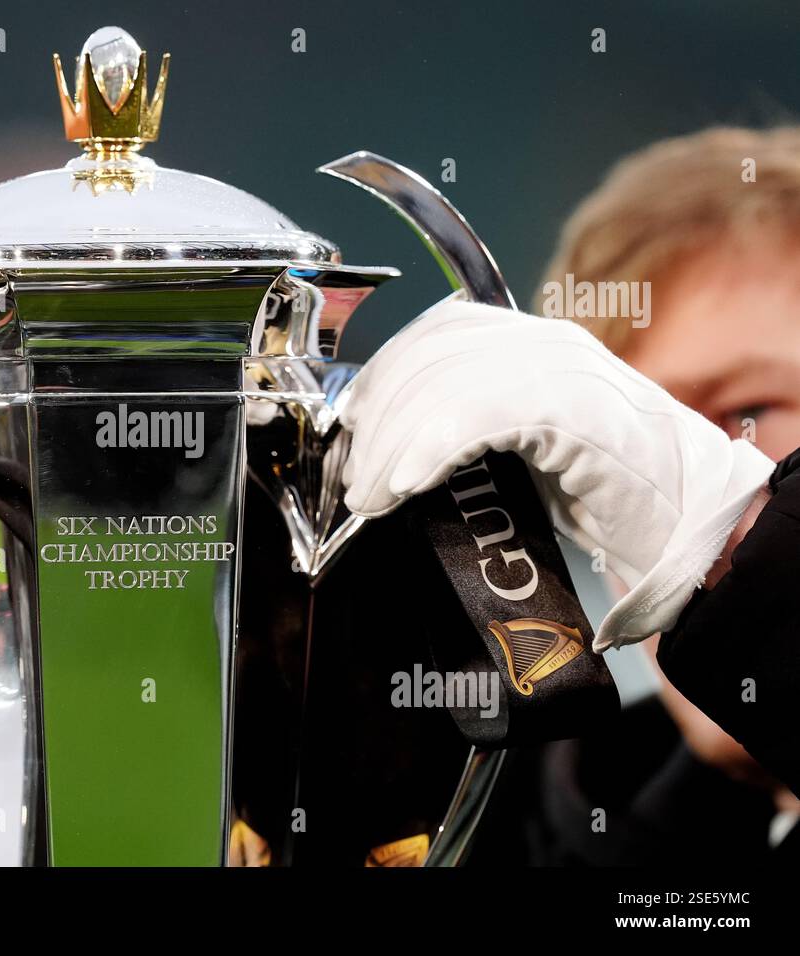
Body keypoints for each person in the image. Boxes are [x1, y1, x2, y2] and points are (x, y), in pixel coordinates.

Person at [341, 126, 800, 864]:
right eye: (597, 451)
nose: (639, 499)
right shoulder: (517, 823)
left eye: (747, 410)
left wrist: (740, 531)